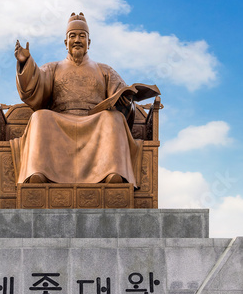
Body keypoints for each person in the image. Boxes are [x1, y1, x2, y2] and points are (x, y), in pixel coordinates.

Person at [11, 12, 158, 186]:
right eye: (72, 36)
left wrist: (127, 103)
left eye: (82, 36)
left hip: (95, 120)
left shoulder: (105, 70)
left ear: (89, 42)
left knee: (114, 118)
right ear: (66, 43)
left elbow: (120, 95)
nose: (77, 40)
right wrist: (26, 62)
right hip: (61, 119)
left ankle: (112, 172)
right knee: (40, 117)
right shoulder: (53, 68)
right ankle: (39, 172)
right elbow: (34, 87)